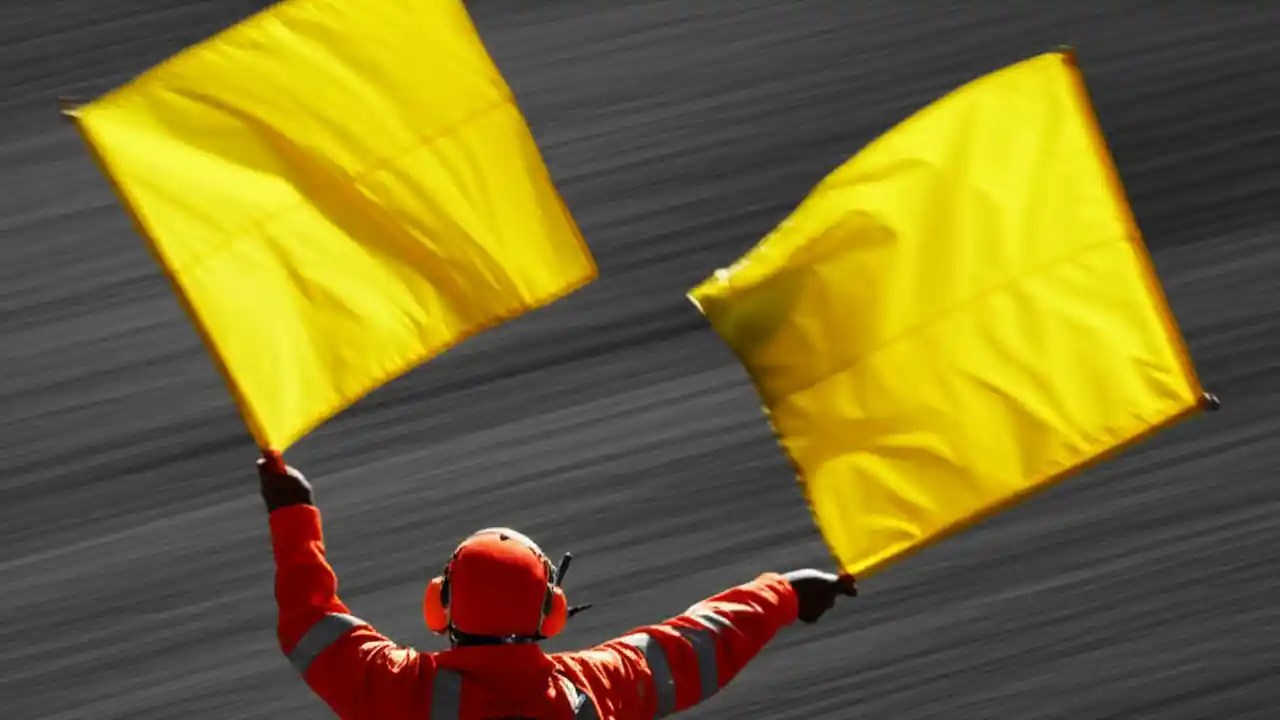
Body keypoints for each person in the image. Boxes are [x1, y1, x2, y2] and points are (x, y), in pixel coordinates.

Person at [259, 453, 857, 719]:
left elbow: (310, 621)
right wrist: (784, 594)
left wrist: (293, 514)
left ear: (440, 606)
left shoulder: (398, 691)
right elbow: (696, 644)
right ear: (552, 614)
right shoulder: (597, 690)